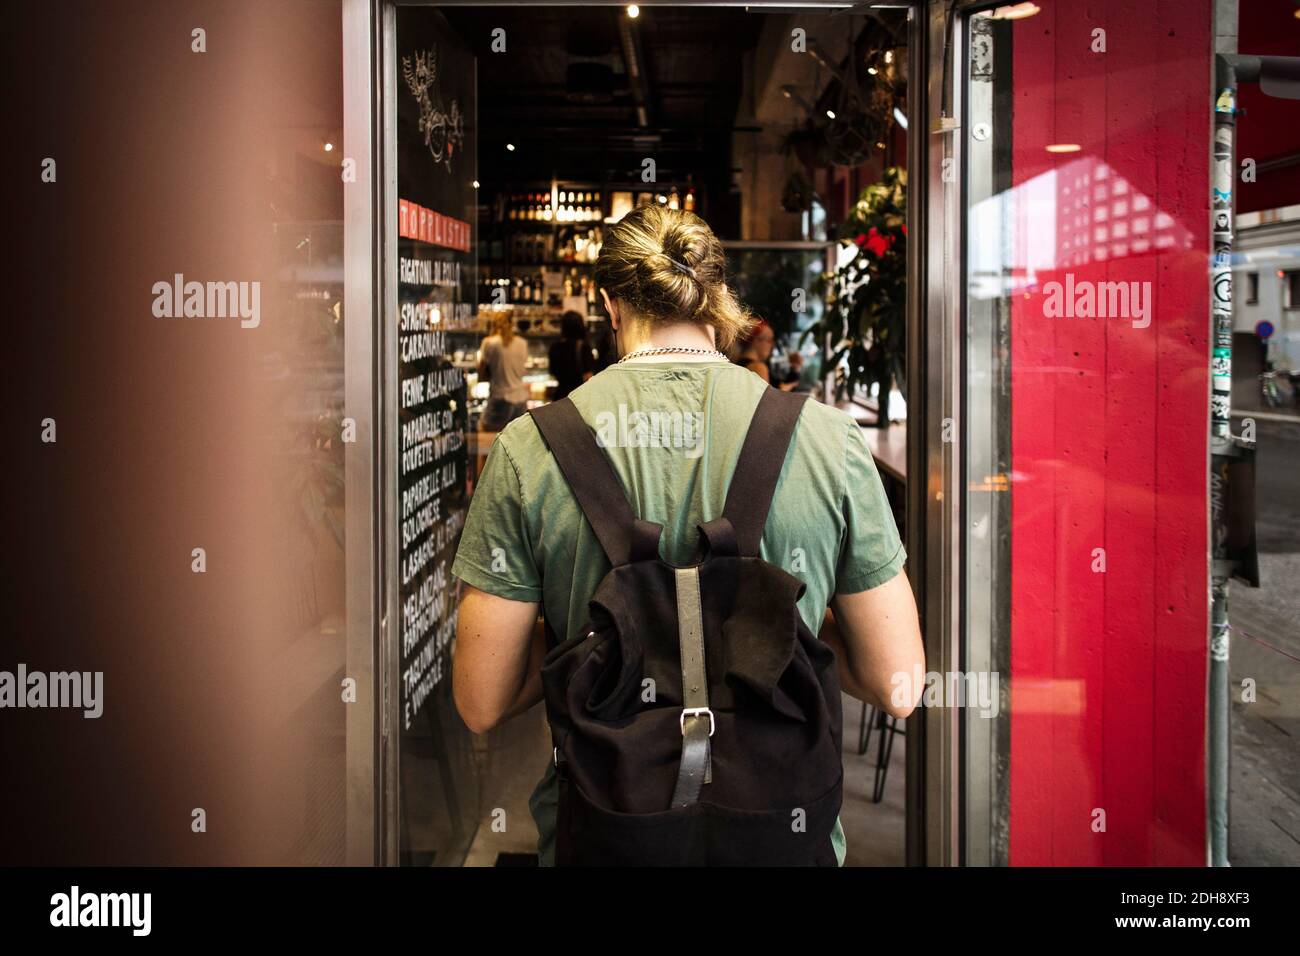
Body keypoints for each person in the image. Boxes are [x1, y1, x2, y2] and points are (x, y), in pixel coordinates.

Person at [451, 203, 924, 866]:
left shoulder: (531, 450)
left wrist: (584, 639)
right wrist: (777, 634)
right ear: (717, 299)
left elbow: (479, 699)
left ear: (611, 305)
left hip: (602, 838)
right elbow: (899, 683)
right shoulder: (828, 442)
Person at [477, 312, 530, 431]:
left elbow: (481, 374)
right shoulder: (522, 343)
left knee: (487, 434)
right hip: (520, 400)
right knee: (516, 438)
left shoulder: (489, 343)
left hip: (500, 397)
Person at [546, 310, 595, 400]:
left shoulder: (555, 347)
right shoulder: (583, 346)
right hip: (579, 397)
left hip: (560, 396)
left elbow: (552, 371)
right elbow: (589, 375)